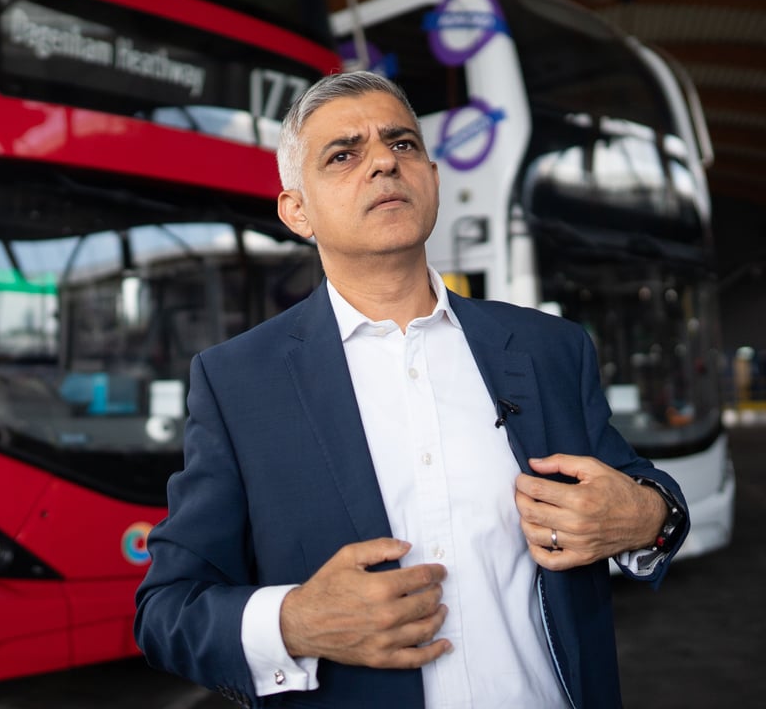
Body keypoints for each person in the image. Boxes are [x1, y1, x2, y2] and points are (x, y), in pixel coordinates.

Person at [133, 71, 688, 708]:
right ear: (297, 211)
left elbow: (640, 492)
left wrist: (646, 517)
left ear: (432, 177)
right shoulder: (238, 383)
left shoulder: (549, 349)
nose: (383, 163)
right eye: (343, 155)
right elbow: (167, 609)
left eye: (401, 144)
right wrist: (294, 622)